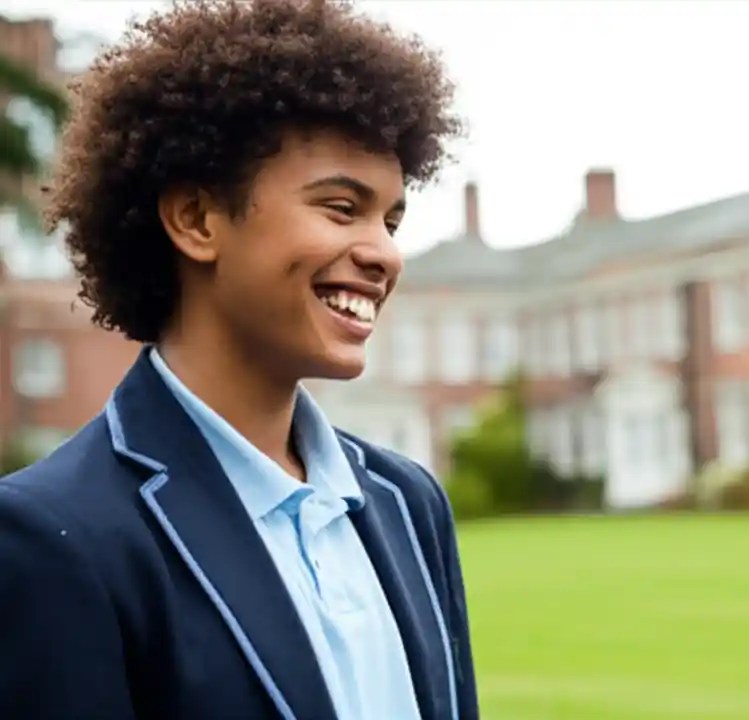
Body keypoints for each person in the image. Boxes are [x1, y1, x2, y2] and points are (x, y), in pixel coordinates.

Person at [0, 1, 477, 719]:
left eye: (391, 219)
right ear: (196, 219)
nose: (383, 252)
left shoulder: (408, 502)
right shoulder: (52, 537)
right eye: (341, 208)